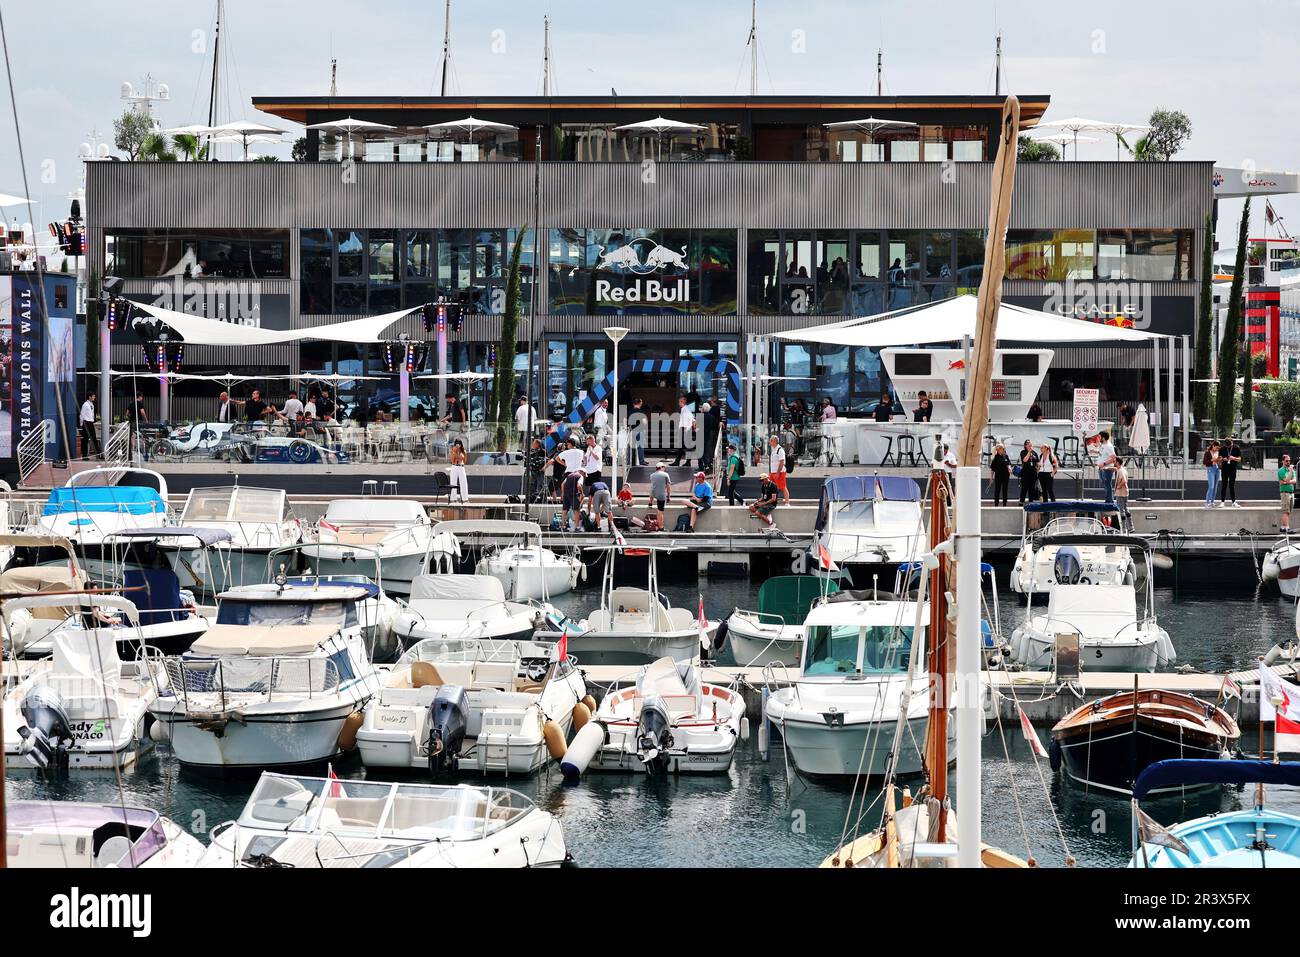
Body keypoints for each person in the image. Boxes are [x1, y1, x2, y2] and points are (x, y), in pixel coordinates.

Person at [672, 396, 695, 467]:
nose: (679, 403)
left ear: (682, 402)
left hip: (685, 430)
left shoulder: (685, 409)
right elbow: (692, 418)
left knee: (685, 447)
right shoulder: (685, 409)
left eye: (679, 402)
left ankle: (684, 462)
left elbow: (687, 420)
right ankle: (679, 461)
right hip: (686, 430)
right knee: (682, 447)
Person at [1096, 430, 1117, 504]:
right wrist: (1096, 451)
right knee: (1105, 484)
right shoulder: (1103, 445)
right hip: (1102, 468)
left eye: (1100, 437)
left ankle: (1109, 501)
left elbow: (1113, 458)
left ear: (1103, 438)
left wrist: (1104, 464)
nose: (1098, 438)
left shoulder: (1109, 446)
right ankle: (1108, 500)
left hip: (1106, 468)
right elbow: (1102, 453)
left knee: (1107, 484)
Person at [648, 461, 672, 527]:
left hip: (653, 494)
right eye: (664, 467)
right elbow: (668, 486)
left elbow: (653, 486)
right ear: (661, 467)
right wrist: (668, 496)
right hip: (661, 495)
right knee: (660, 511)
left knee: (653, 488)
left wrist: (651, 501)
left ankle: (650, 502)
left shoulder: (652, 475)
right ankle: (660, 527)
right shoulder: (665, 474)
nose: (664, 468)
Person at [561, 467, 585, 532]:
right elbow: (579, 485)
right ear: (582, 472)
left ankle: (563, 527)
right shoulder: (580, 476)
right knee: (576, 511)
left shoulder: (569, 475)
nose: (584, 476)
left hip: (566, 494)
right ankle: (577, 527)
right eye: (584, 474)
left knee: (565, 510)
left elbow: (563, 484)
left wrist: (563, 493)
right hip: (573, 494)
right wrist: (582, 493)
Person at [1220, 436, 1241, 507]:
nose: (1228, 447)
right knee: (1224, 485)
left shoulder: (1236, 448)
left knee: (1232, 485)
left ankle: (1234, 502)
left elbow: (1239, 459)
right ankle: (1222, 502)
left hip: (1233, 469)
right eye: (1227, 446)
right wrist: (1223, 459)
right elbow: (1219, 460)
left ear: (1232, 442)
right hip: (1224, 469)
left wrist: (1233, 458)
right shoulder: (1222, 448)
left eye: (1230, 445)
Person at [768, 434, 790, 505]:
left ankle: (787, 503)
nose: (769, 442)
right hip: (772, 472)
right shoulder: (773, 449)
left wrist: (777, 473)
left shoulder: (780, 450)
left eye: (771, 441)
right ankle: (771, 502)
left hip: (779, 472)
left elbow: (782, 462)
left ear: (775, 441)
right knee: (770, 487)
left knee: (783, 487)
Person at [526, 438, 548, 503]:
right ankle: (532, 498)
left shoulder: (543, 451)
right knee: (532, 484)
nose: (533, 444)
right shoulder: (532, 451)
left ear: (538, 444)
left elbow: (547, 460)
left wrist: (543, 467)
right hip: (533, 470)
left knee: (541, 485)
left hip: (540, 471)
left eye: (534, 443)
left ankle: (543, 498)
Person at [1018, 439, 1039, 505]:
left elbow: (1037, 462)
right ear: (1025, 446)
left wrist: (1038, 468)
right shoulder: (1023, 452)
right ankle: (1021, 503)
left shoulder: (1034, 453)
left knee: (1032, 489)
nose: (1030, 446)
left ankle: (1031, 503)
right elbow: (1024, 460)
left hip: (1033, 474)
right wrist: (1029, 452)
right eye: (1028, 445)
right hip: (1025, 474)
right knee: (1024, 488)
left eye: (1031, 445)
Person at [448, 439, 469, 503]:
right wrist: (454, 452)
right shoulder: (453, 450)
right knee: (453, 483)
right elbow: (452, 460)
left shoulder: (463, 451)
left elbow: (465, 461)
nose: (458, 445)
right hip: (454, 467)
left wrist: (460, 457)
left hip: (461, 467)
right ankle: (453, 499)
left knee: (464, 482)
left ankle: (465, 498)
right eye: (457, 443)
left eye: (459, 443)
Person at [79, 392, 100, 459]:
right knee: (85, 439)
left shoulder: (92, 404)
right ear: (89, 397)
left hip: (91, 423)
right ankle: (84, 455)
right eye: (93, 396)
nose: (94, 397)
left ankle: (98, 454)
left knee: (94, 439)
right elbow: (81, 414)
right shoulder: (85, 405)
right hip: (86, 423)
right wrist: (81, 424)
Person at [628, 397, 648, 466]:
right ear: (639, 403)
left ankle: (632, 462)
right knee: (640, 447)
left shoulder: (629, 411)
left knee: (632, 447)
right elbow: (644, 422)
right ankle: (641, 461)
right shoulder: (641, 411)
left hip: (632, 431)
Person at [990, 442, 1011, 506]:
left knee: (1005, 490)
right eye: (1002, 448)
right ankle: (996, 504)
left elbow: (1009, 464)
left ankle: (1005, 505)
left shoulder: (1006, 456)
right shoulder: (995, 457)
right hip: (998, 476)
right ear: (998, 449)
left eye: (1004, 448)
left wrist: (1009, 468)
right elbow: (992, 469)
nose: (1004, 450)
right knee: (997, 490)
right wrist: (991, 478)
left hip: (1006, 476)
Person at [1115, 457, 1132, 531]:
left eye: (1115, 462)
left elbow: (1124, 481)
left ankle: (1124, 528)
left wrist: (1118, 486)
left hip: (1121, 493)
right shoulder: (1123, 470)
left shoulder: (1121, 471)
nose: (1114, 463)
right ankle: (1131, 527)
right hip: (1125, 492)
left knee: (1121, 510)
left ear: (1118, 463)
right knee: (1126, 509)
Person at [1203, 440, 1221, 508]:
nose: (1217, 449)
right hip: (1210, 469)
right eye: (1216, 447)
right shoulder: (1207, 452)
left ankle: (1212, 502)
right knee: (1211, 487)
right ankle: (1207, 503)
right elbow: (1204, 462)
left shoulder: (1218, 452)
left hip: (1217, 469)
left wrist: (1219, 460)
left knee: (1215, 487)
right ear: (1213, 446)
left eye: (1218, 448)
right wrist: (1212, 460)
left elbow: (1219, 461)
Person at [1281, 454, 1296, 532]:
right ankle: (1287, 528)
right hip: (1285, 493)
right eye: (1286, 461)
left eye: (1289, 460)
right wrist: (1287, 480)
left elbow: (1294, 481)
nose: (1288, 462)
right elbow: (1287, 480)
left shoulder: (1292, 470)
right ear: (1283, 461)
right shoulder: (1281, 470)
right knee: (1286, 511)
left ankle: (1283, 527)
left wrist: (1287, 481)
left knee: (1289, 511)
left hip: (1291, 492)